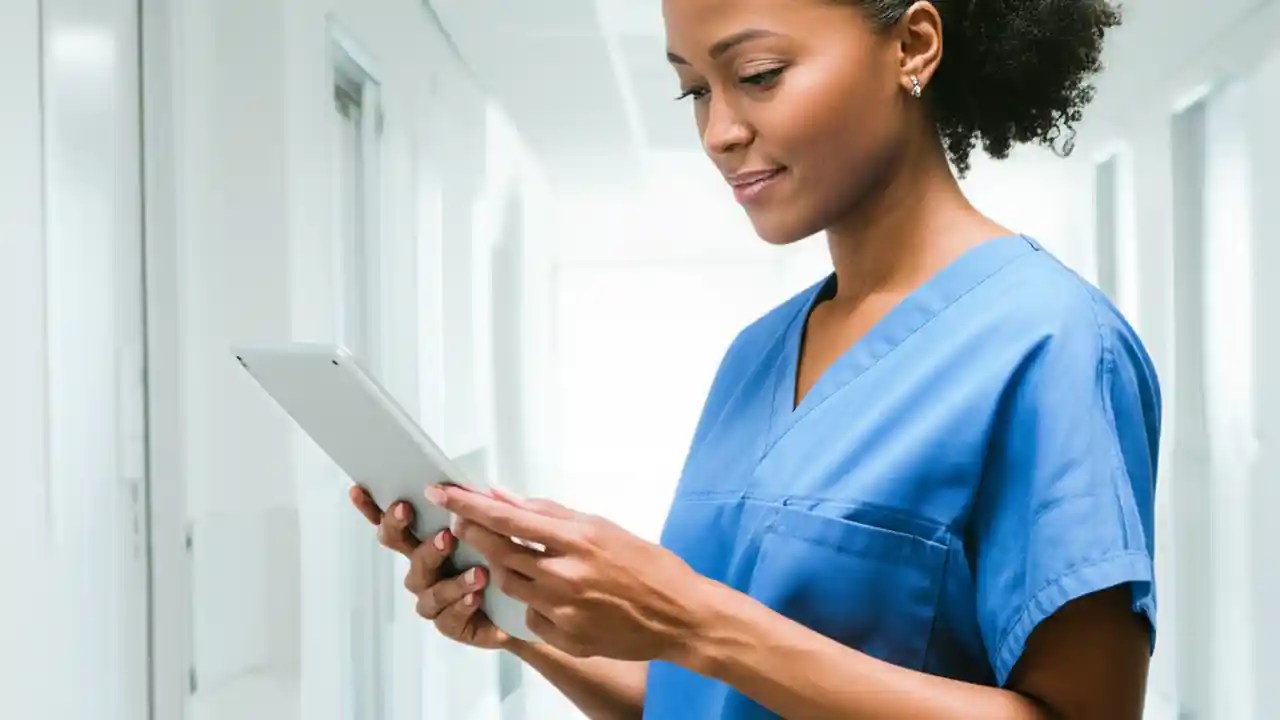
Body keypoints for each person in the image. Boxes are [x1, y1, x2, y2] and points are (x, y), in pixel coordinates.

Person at [351, 0, 1160, 717]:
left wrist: (693, 620)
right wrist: (522, 623)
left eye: (759, 75)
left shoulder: (1051, 343)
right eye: (696, 90)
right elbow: (703, 695)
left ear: (913, 45)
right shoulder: (757, 356)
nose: (718, 132)